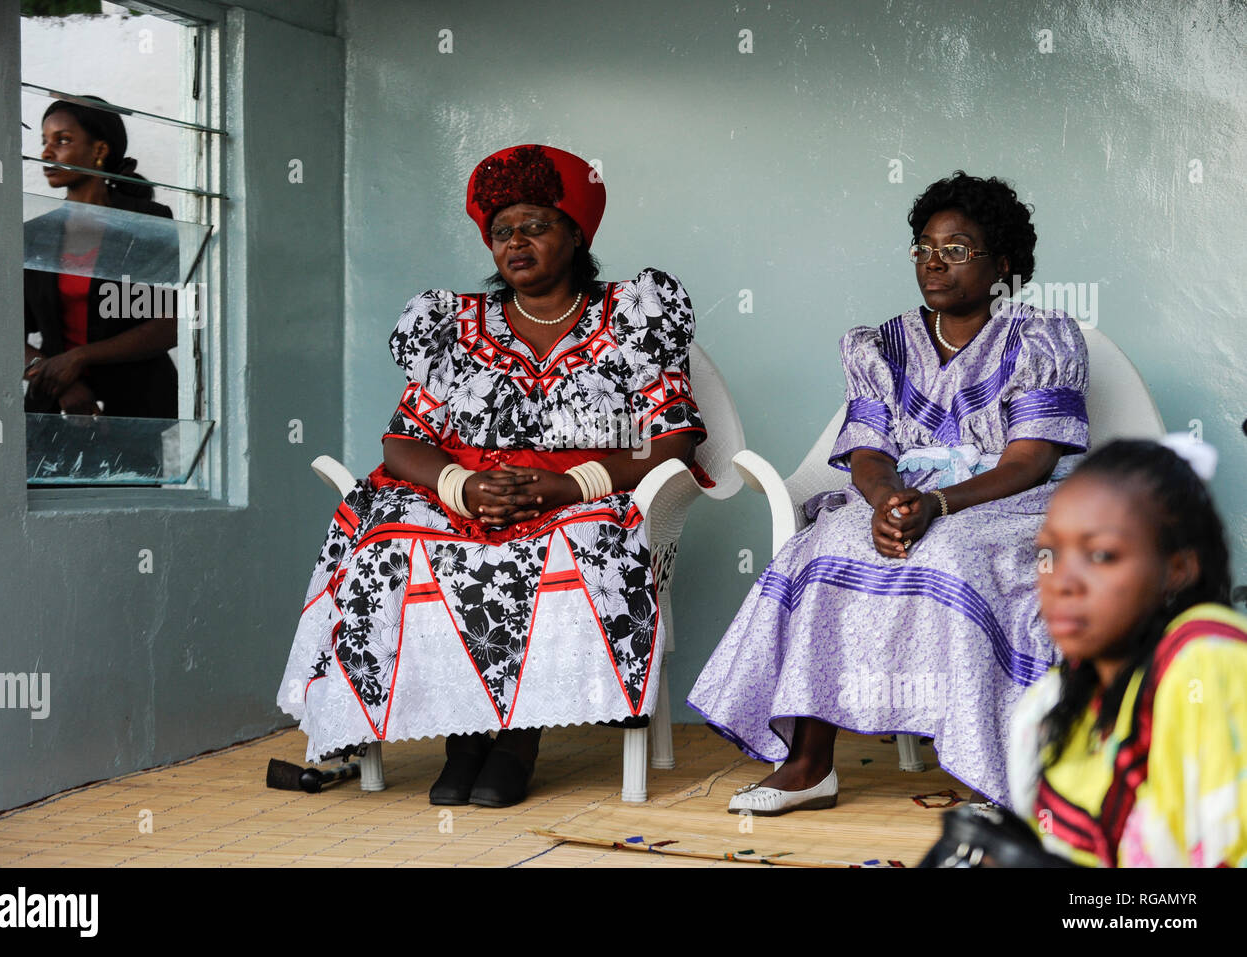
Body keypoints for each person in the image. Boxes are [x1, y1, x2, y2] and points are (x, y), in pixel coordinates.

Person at [278, 144, 707, 808]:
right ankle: (465, 739)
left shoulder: (631, 319)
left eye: (535, 224)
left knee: (561, 548)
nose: (516, 242)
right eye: (502, 231)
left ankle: (516, 739)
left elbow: (675, 436)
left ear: (575, 233)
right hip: (463, 492)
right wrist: (462, 487)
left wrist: (572, 485)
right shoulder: (455, 326)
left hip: (586, 493)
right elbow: (401, 443)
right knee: (392, 541)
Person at [688, 171, 1089, 812]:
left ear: (1003, 264)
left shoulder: (1042, 338)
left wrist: (938, 506)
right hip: (902, 492)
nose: (934, 262)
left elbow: (1033, 458)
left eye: (957, 249)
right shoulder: (882, 344)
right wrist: (887, 501)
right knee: (823, 550)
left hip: (1007, 500)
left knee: (953, 554)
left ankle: (991, 765)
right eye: (924, 247)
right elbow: (868, 449)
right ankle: (810, 763)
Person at [1007, 437, 1247, 867]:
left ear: (1177, 569)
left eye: (1101, 555)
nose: (1062, 581)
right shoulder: (1057, 698)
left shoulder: (1208, 662)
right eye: (1049, 553)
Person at [23, 96, 178, 420]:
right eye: (45, 141)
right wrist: (60, 384)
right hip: (55, 409)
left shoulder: (146, 221)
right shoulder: (35, 234)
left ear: (99, 150)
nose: (46, 153)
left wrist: (79, 357)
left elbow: (170, 324)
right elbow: (5, 330)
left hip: (135, 407)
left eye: (62, 140)